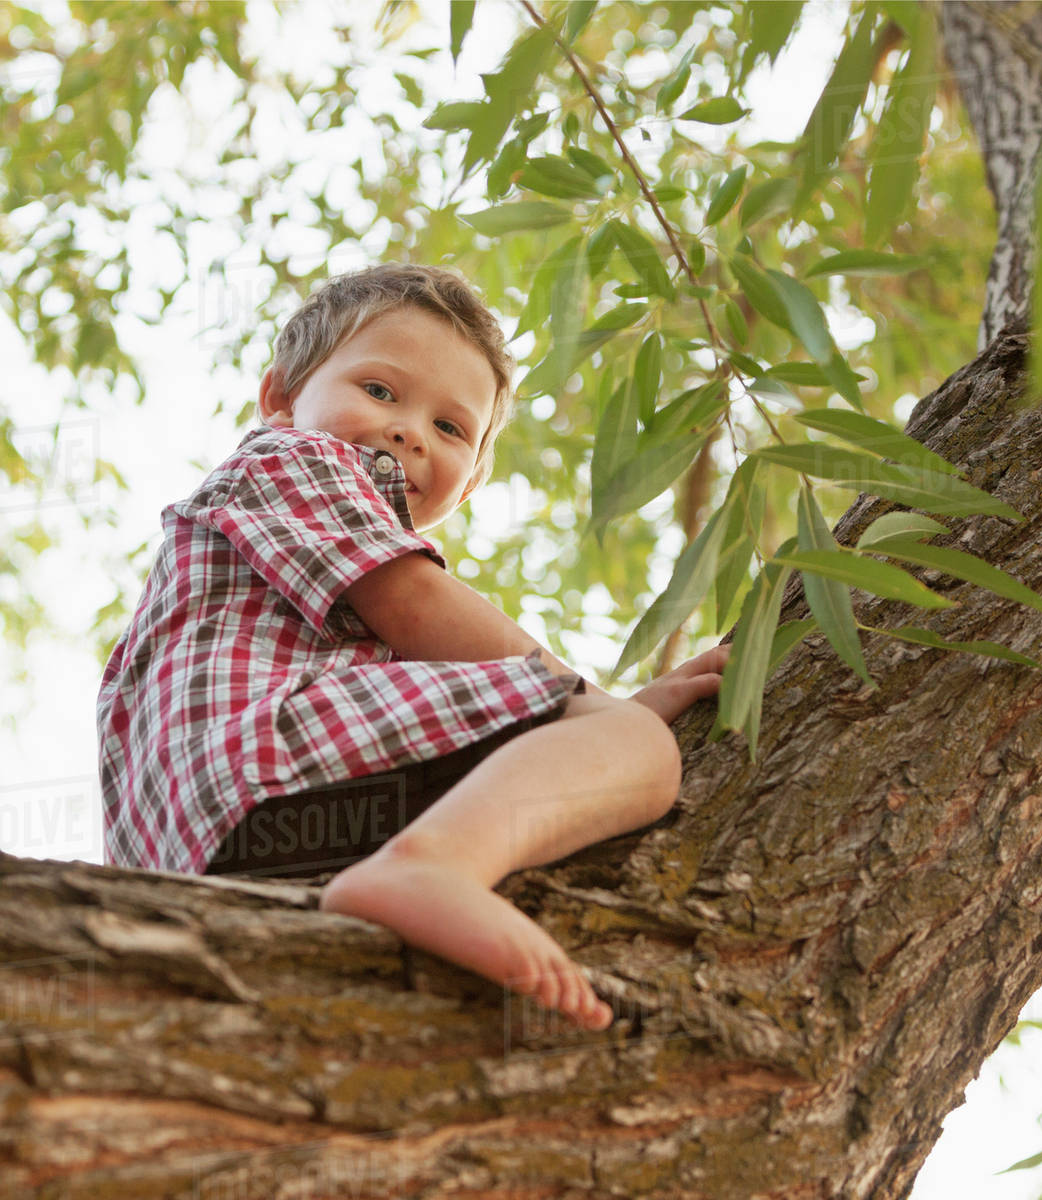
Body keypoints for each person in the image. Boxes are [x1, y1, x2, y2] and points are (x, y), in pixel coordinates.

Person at [98, 263, 728, 1030]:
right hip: (272, 765)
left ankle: (408, 871)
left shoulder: (265, 553)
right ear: (280, 398)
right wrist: (598, 712)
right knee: (638, 749)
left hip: (214, 856)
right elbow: (419, 604)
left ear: (467, 487)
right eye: (380, 391)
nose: (408, 431)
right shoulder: (293, 459)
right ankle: (431, 866)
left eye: (450, 427)